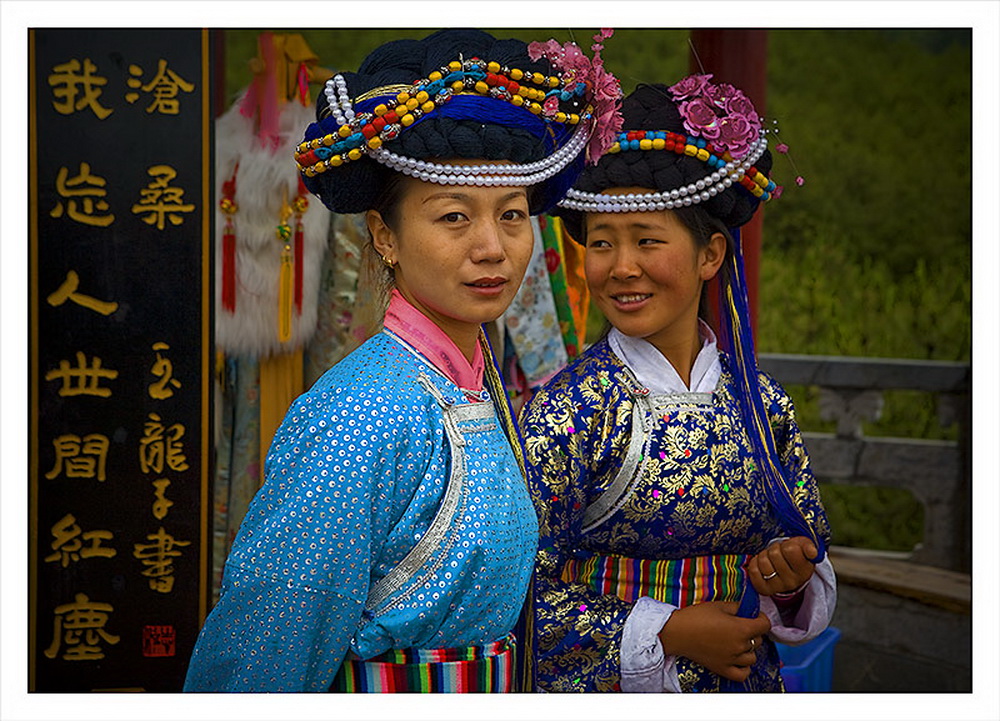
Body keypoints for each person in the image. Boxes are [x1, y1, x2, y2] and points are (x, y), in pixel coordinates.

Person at [183, 28, 621, 693]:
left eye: (510, 216)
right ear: (384, 236)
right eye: (453, 217)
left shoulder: (477, 388)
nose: (492, 247)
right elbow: (262, 655)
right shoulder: (358, 414)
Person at [519, 77, 836, 692]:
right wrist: (669, 631)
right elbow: (521, 591)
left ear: (710, 255)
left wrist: (789, 577)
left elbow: (805, 544)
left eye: (647, 240)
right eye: (602, 244)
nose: (621, 267)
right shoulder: (570, 409)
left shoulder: (762, 404)